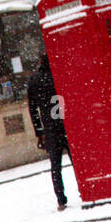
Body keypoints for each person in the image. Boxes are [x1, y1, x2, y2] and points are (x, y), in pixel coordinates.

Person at [27, 56, 70, 211]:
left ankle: (61, 199)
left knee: (55, 167)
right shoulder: (59, 75)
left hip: (50, 128)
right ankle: (85, 188)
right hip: (66, 124)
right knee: (76, 161)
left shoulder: (34, 81)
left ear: (39, 63)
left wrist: (39, 131)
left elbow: (33, 109)